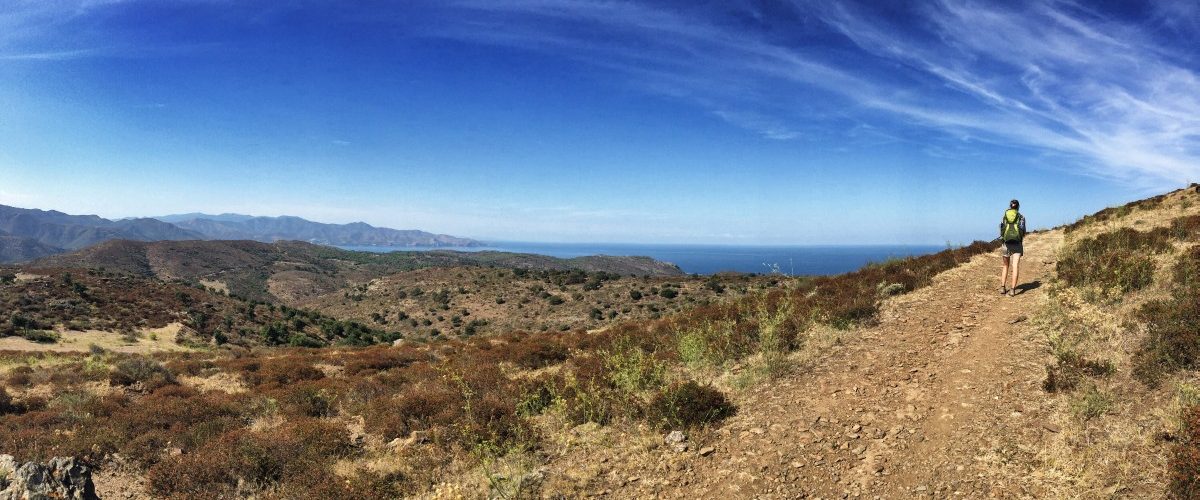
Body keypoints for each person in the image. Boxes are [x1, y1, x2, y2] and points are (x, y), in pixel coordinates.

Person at [999, 199, 1027, 296]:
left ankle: (1002, 288)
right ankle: (1012, 290)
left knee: (1005, 265)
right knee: (1015, 266)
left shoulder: (1004, 216)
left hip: (1006, 244)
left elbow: (1002, 229)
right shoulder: (1021, 217)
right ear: (1018, 207)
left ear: (1010, 206)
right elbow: (1023, 231)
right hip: (1017, 244)